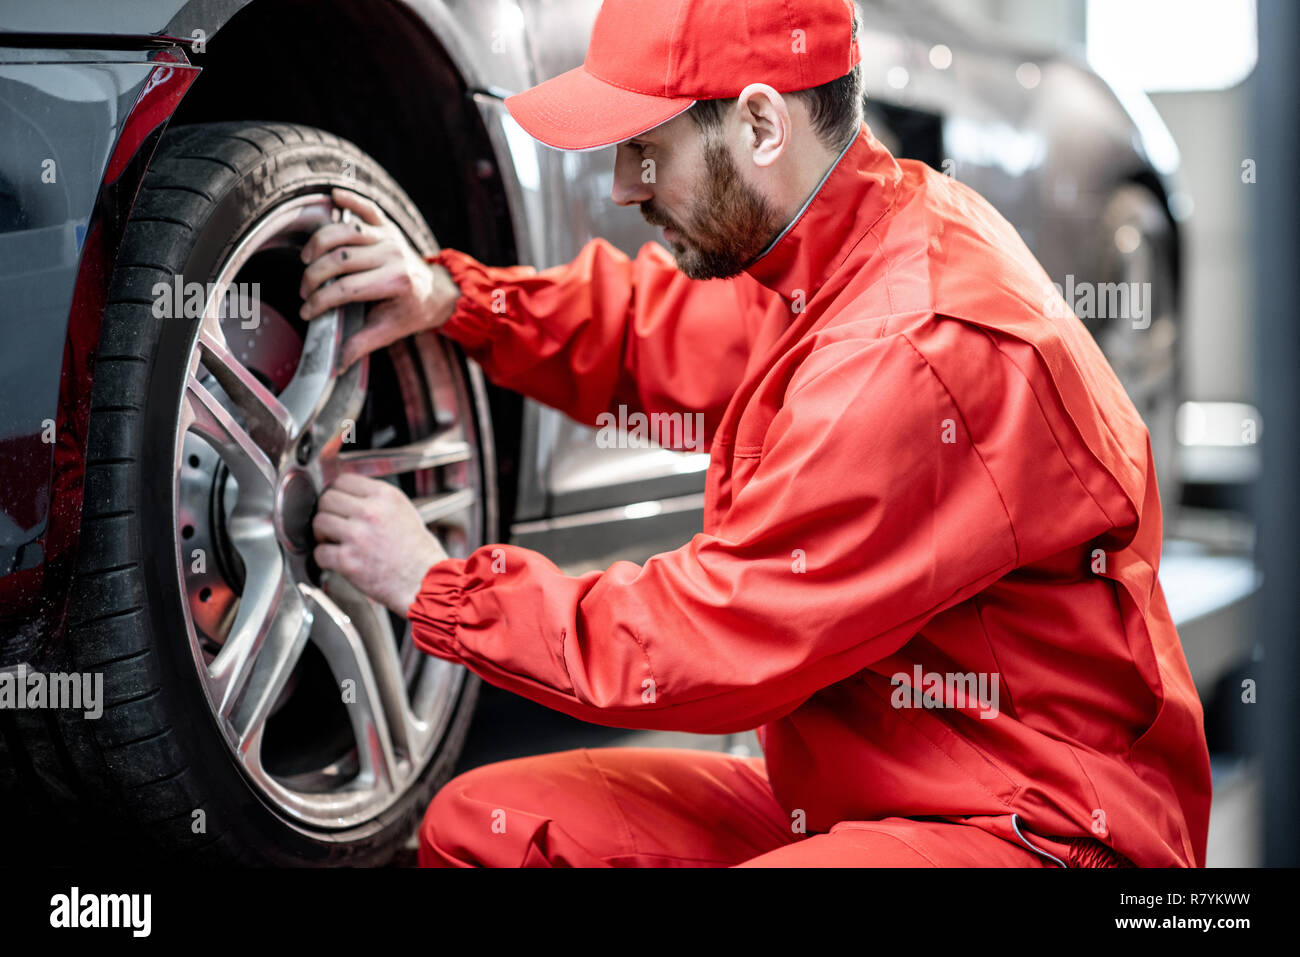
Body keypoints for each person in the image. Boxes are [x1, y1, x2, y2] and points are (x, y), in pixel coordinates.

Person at [298, 0, 1210, 867]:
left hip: (1034, 827)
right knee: (488, 829)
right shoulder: (831, 251)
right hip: (868, 792)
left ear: (762, 125)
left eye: (646, 152)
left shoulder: (916, 347)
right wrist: (460, 298)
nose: (621, 188)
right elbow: (651, 334)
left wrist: (438, 584)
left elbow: (712, 637)